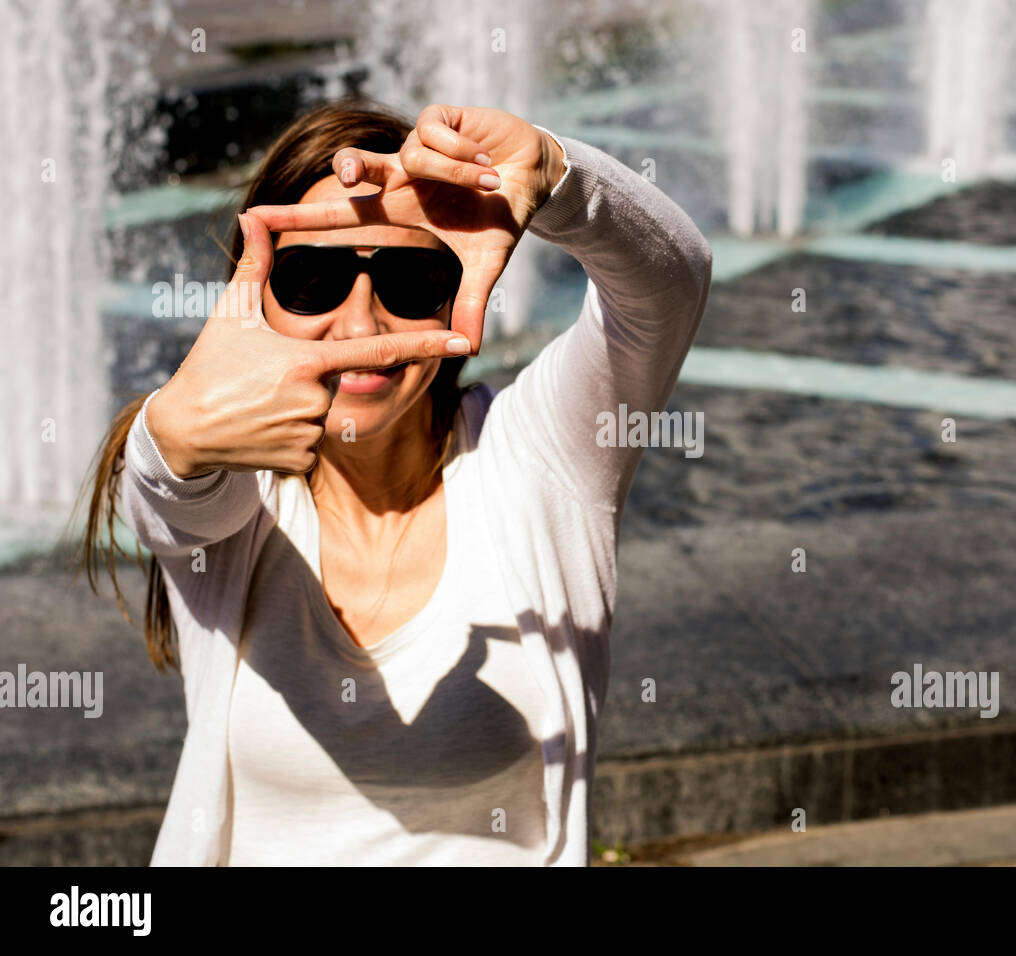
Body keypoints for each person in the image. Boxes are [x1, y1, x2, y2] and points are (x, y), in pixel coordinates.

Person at [79, 99, 713, 865]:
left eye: (410, 278)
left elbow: (668, 286)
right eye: (311, 277)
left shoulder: (537, 456)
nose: (359, 324)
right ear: (254, 296)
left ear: (459, 288)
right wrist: (174, 432)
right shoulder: (239, 488)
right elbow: (168, 496)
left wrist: (553, 173)